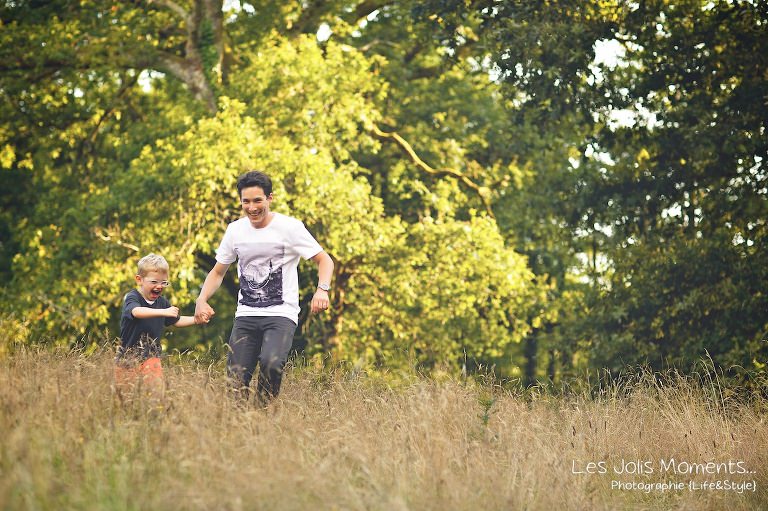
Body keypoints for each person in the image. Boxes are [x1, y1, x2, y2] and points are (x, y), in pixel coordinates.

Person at [194, 170, 334, 404]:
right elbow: (218, 271)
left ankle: (262, 415)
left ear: (270, 198)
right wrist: (201, 299)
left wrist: (323, 289)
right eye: (245, 202)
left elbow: (324, 260)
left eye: (257, 200)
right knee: (235, 378)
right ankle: (240, 428)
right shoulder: (235, 230)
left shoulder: (289, 227)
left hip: (281, 314)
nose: (252, 207)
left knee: (271, 363)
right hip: (246, 315)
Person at [116, 253, 206, 395]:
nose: (159, 286)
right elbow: (136, 312)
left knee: (156, 393)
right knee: (127, 397)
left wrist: (195, 320)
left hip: (152, 355)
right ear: (139, 280)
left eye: (163, 282)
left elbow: (176, 320)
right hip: (128, 357)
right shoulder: (133, 297)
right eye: (154, 282)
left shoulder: (162, 302)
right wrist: (164, 312)